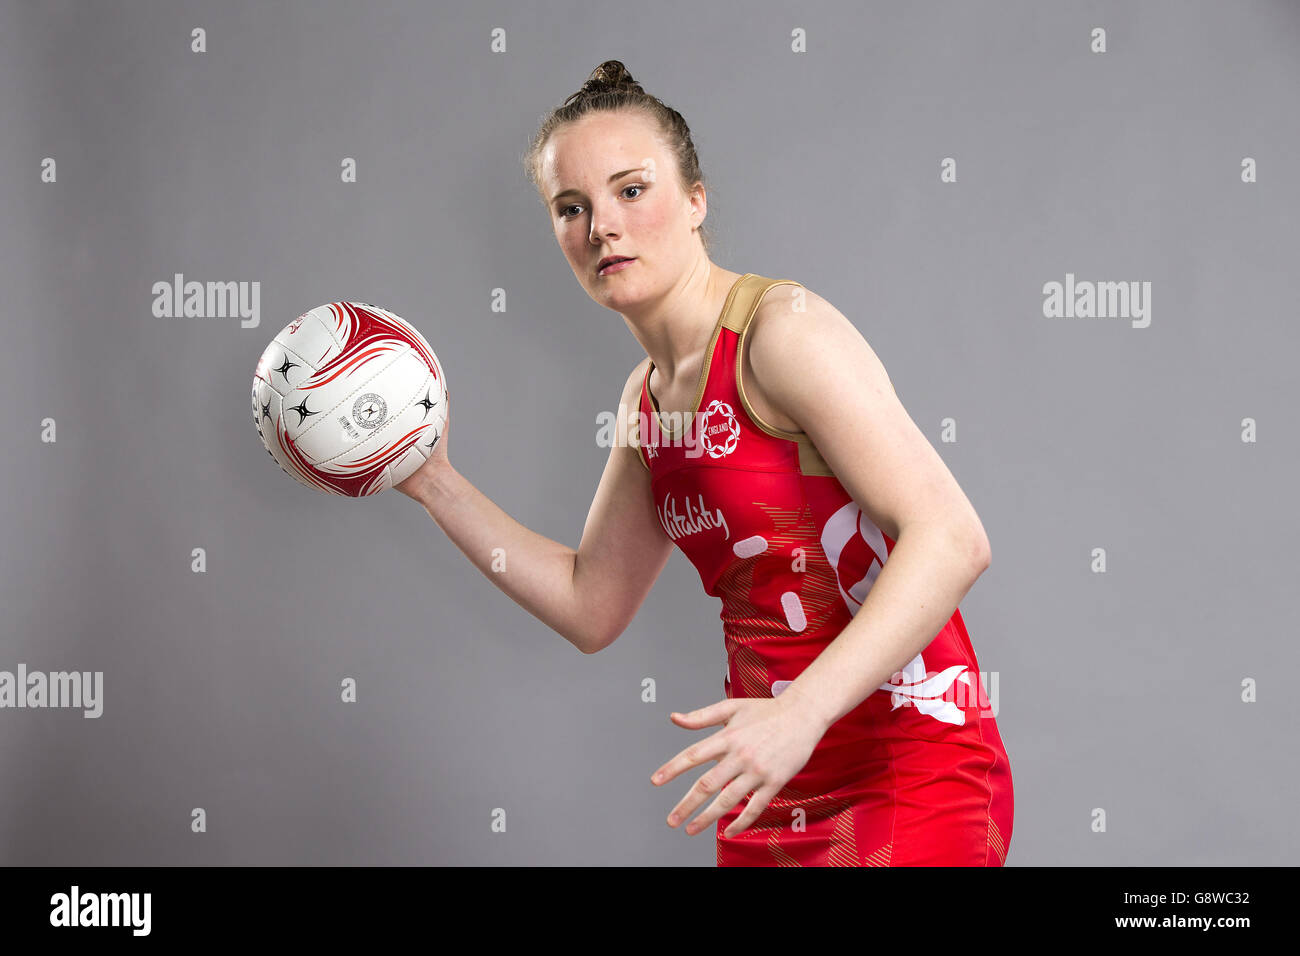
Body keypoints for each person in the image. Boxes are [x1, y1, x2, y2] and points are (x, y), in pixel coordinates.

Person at [396, 60, 1013, 866]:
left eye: (631, 190)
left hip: (903, 761)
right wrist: (430, 479)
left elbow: (952, 537)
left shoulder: (781, 334)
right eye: (571, 207)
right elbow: (592, 605)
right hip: (765, 775)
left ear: (695, 201)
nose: (601, 228)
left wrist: (802, 715)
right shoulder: (646, 401)